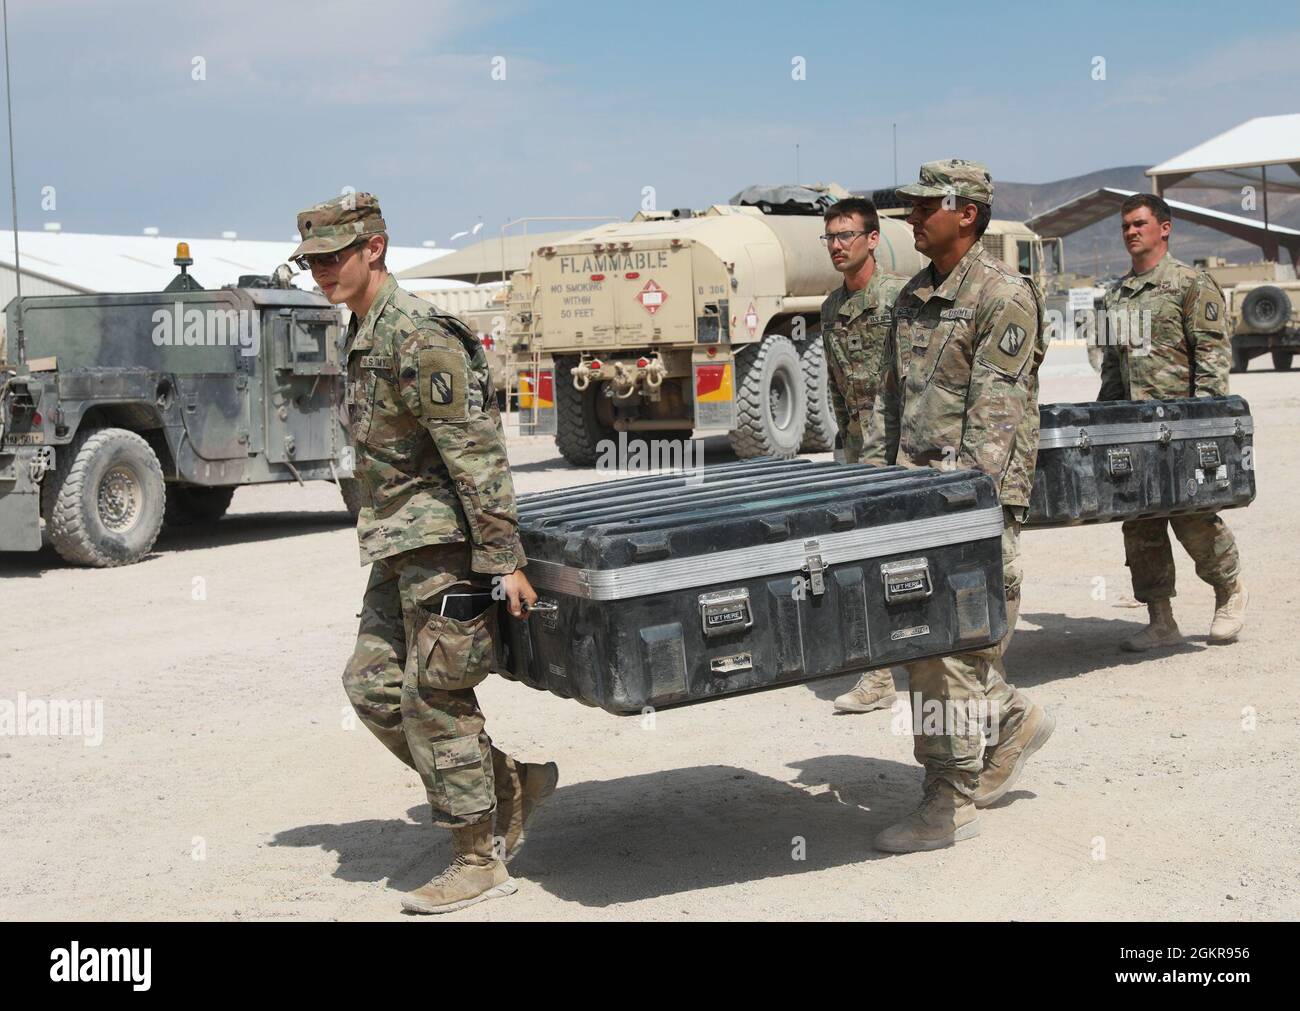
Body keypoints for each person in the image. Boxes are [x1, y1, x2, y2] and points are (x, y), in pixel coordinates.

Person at [292, 192, 557, 913]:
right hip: (397, 542)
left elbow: (477, 454)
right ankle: (508, 785)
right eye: (312, 261)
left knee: (433, 695)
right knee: (372, 687)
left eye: (332, 257)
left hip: (445, 545)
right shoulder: (364, 330)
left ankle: (478, 858)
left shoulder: (418, 333)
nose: (320, 271)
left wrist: (503, 559)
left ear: (374, 247)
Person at [864, 160, 1054, 852]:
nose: (912, 218)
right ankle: (1010, 720)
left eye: (924, 207)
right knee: (934, 644)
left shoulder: (1003, 296)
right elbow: (894, 404)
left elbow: (994, 424)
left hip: (971, 507)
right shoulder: (912, 295)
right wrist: (880, 490)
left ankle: (948, 801)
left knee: (948, 650)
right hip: (914, 500)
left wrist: (959, 519)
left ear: (966, 212)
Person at [1098, 193, 1247, 650]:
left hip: (1182, 429)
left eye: (1139, 224)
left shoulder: (1190, 284)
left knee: (1193, 514)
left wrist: (1205, 424)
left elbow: (1212, 358)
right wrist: (1104, 423)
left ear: (1165, 228)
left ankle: (1230, 591)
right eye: (1125, 225)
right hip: (1133, 430)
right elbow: (1111, 370)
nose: (1131, 232)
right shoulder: (1113, 296)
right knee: (1140, 523)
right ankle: (1161, 618)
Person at [818, 196, 909, 715]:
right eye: (830, 237)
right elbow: (836, 387)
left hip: (898, 451)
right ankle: (877, 674)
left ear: (872, 239)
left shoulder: (900, 298)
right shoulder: (831, 308)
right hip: (857, 453)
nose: (836, 245)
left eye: (845, 235)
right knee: (861, 556)